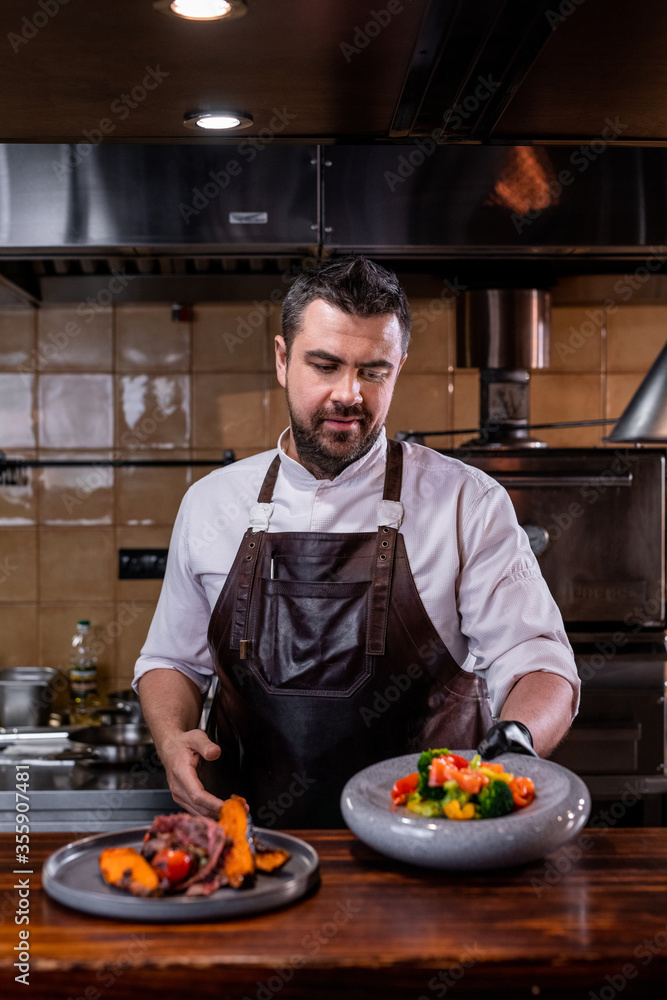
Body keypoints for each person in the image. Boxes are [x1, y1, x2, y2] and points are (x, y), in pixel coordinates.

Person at [134, 255, 580, 827]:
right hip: (252, 842)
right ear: (281, 359)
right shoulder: (210, 504)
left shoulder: (467, 502)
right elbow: (172, 660)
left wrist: (515, 745)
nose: (350, 394)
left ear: (398, 369)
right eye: (325, 365)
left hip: (430, 840)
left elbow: (539, 662)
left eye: (374, 371)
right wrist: (172, 737)